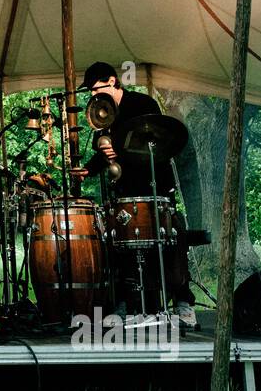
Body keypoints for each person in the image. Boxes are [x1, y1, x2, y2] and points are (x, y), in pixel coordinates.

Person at [81, 61, 196, 328]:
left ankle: (183, 302)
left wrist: (118, 153)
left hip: (155, 186)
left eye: (96, 88)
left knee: (171, 238)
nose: (93, 96)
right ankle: (122, 304)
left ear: (112, 81)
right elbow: (106, 151)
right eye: (90, 92)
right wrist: (88, 170)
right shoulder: (104, 113)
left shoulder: (141, 105)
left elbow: (153, 145)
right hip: (125, 190)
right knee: (118, 243)